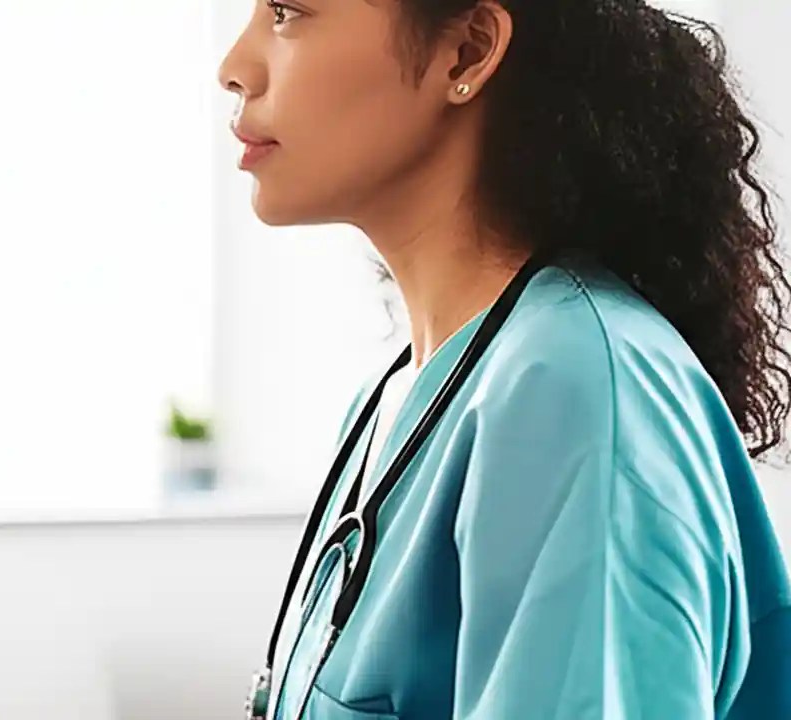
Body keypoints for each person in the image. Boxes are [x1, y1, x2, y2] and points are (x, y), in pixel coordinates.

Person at [218, 1, 791, 718]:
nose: (234, 69)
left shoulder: (577, 390)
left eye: (287, 12)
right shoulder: (396, 398)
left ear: (467, 51)